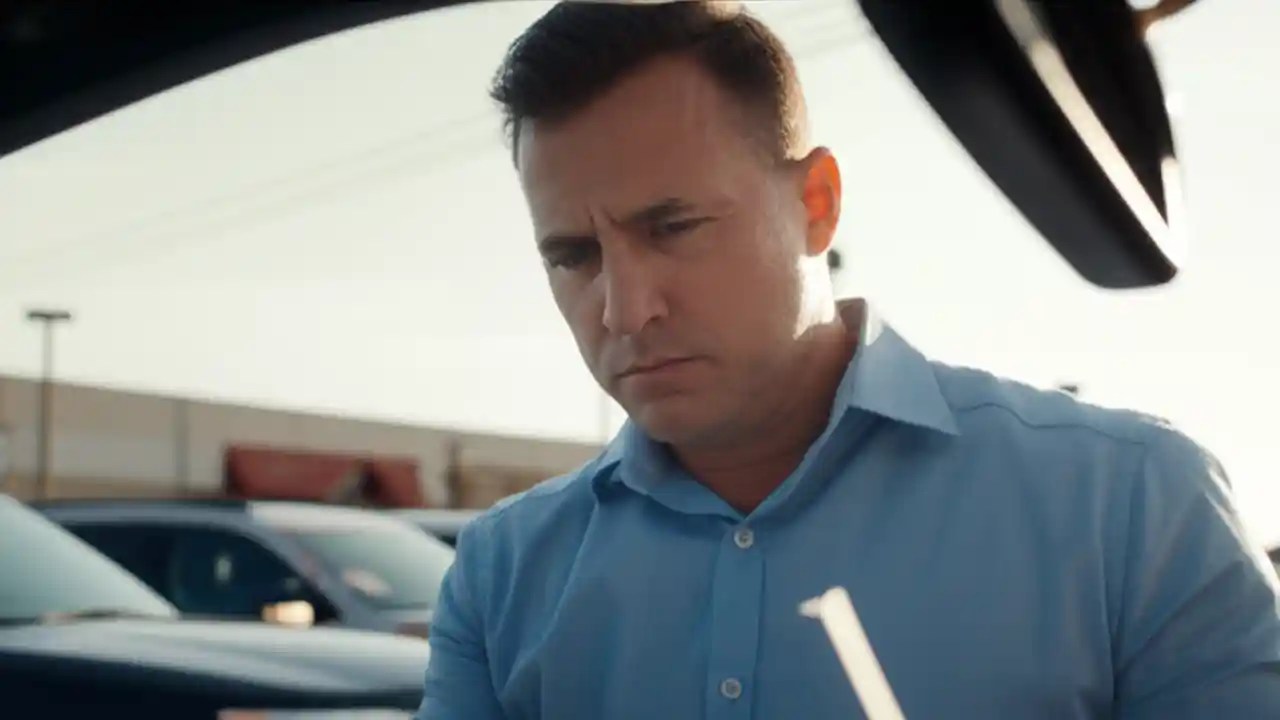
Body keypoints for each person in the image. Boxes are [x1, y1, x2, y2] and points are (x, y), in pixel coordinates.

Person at [417, 3, 1280, 718]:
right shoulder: (501, 577)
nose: (624, 307)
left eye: (672, 228)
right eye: (573, 255)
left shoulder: (1132, 507)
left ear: (816, 204)